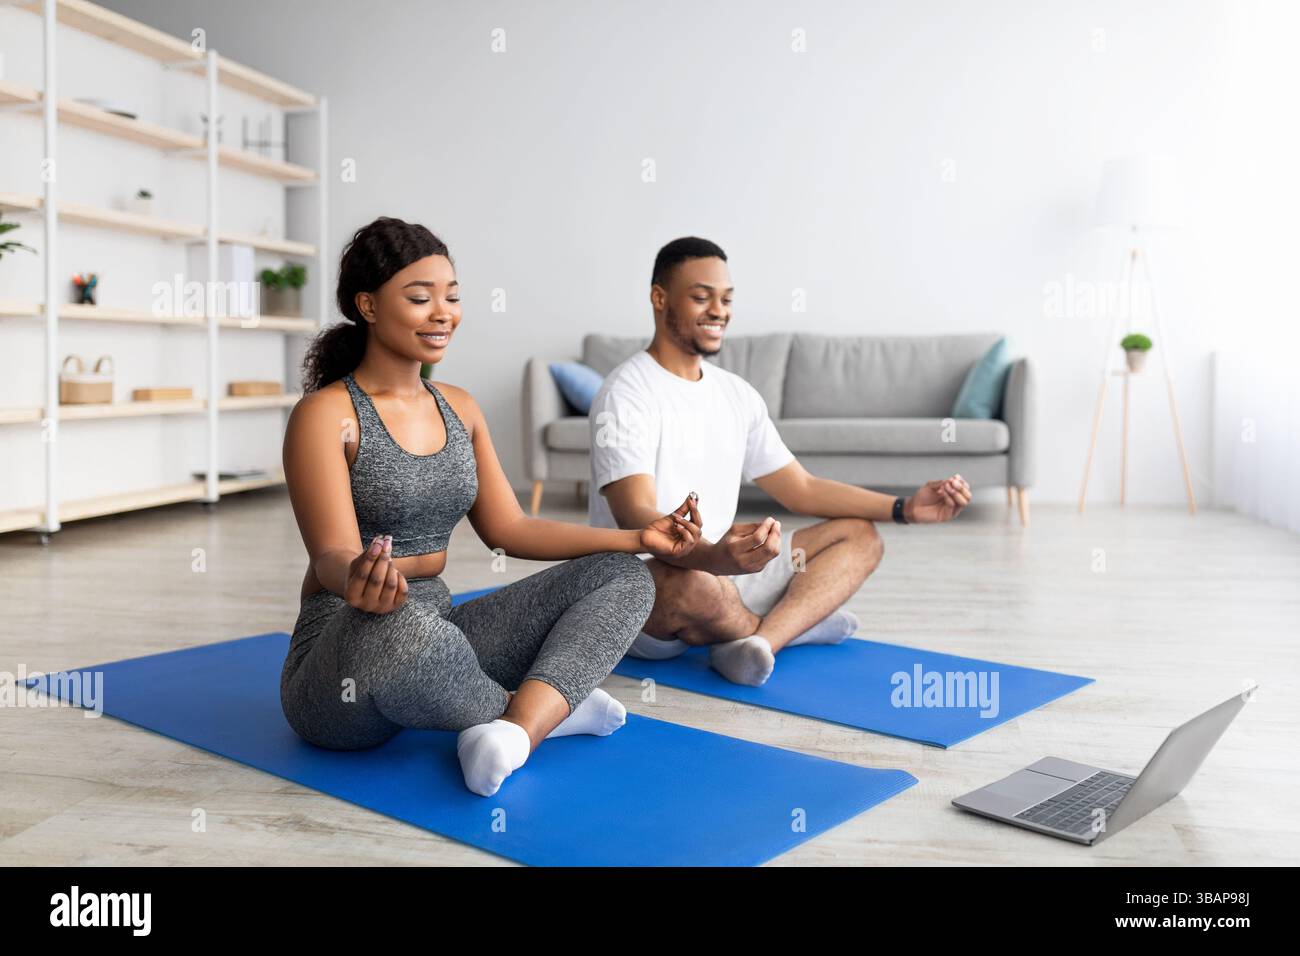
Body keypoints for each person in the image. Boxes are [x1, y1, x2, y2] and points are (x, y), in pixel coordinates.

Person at [280, 217, 703, 797]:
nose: (442, 313)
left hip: (442, 632)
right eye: (420, 298)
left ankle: (512, 732)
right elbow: (330, 552)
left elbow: (511, 528)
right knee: (400, 631)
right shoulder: (326, 414)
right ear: (368, 305)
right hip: (344, 660)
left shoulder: (460, 406)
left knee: (625, 577)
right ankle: (535, 714)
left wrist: (637, 538)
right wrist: (356, 577)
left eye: (452, 297)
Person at [589, 236, 971, 687]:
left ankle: (759, 643)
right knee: (690, 583)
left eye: (726, 299)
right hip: (645, 591)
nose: (719, 311)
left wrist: (905, 508)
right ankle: (792, 627)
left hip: (726, 570)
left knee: (859, 535)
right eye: (701, 297)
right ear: (659, 298)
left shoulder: (736, 394)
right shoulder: (626, 393)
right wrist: (713, 557)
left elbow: (801, 489)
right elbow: (634, 515)